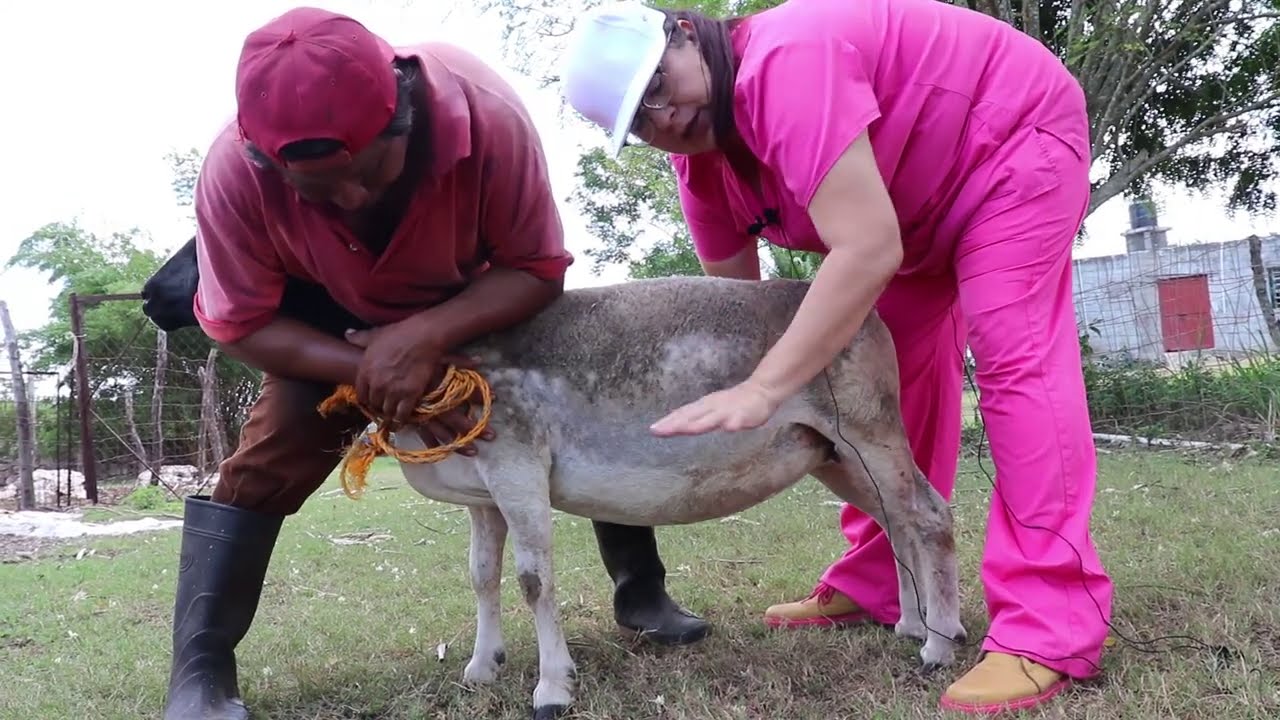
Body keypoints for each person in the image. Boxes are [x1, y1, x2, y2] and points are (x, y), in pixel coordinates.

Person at [560, 0, 1114, 713]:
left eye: (657, 86)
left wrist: (767, 388)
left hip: (1004, 143)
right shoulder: (703, 175)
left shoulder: (785, 61)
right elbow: (742, 317)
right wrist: (745, 399)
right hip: (906, 214)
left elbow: (866, 249)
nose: (663, 119)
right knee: (871, 393)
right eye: (639, 122)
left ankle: (1050, 624)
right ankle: (879, 578)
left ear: (689, 35)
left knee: (1015, 363)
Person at [158, 7, 709, 719]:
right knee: (272, 454)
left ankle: (641, 590)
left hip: (475, 294)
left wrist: (426, 338)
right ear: (270, 165)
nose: (352, 197)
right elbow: (240, 322)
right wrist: (368, 366)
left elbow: (538, 268)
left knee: (575, 404)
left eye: (369, 172)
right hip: (330, 318)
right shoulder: (234, 172)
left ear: (403, 122)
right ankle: (200, 666)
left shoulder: (487, 118)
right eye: (321, 190)